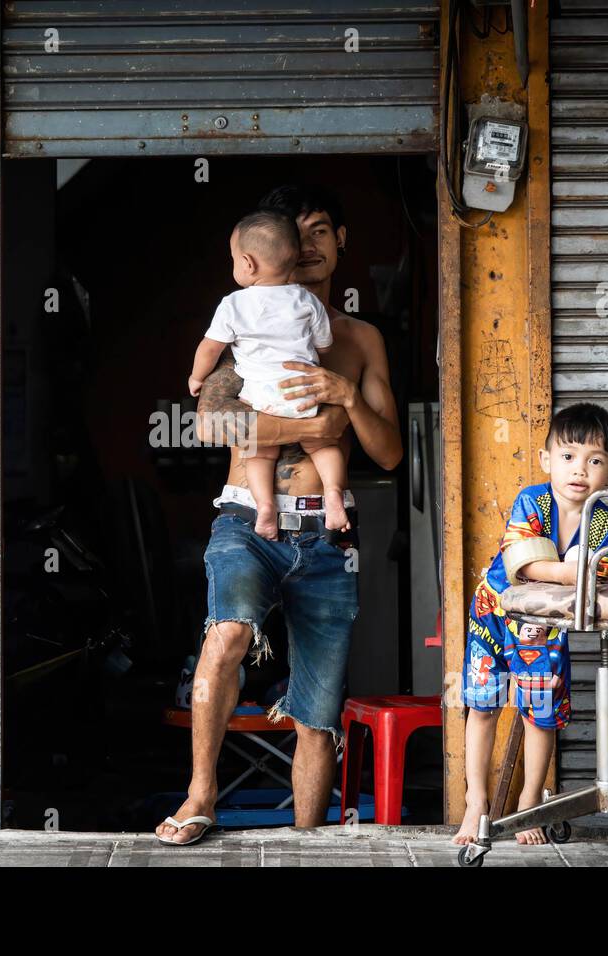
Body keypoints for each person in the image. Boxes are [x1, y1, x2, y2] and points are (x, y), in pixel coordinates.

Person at [155, 184, 402, 846]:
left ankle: (303, 845)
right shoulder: (242, 328)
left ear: (338, 242)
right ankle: (201, 797)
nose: (307, 247)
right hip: (245, 520)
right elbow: (210, 425)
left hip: (327, 533)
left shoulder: (359, 339)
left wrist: (346, 396)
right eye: (296, 235)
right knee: (227, 635)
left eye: (321, 231)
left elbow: (390, 452)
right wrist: (315, 422)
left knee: (318, 709)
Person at [452, 402, 608, 846]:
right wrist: (569, 570)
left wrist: (562, 570)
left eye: (595, 460)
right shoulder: (532, 500)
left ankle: (530, 801)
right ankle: (477, 800)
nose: (579, 470)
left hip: (548, 624)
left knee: (540, 715)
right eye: (567, 457)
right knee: (484, 705)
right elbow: (522, 565)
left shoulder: (605, 523)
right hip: (494, 612)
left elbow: (596, 574)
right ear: (547, 460)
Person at [188, 210, 349, 538]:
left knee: (258, 451)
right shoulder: (306, 300)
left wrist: (196, 377)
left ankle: (264, 507)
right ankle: (333, 493)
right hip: (302, 391)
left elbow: (209, 348)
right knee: (323, 445)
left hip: (260, 397)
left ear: (246, 263)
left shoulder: (233, 305)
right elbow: (325, 343)